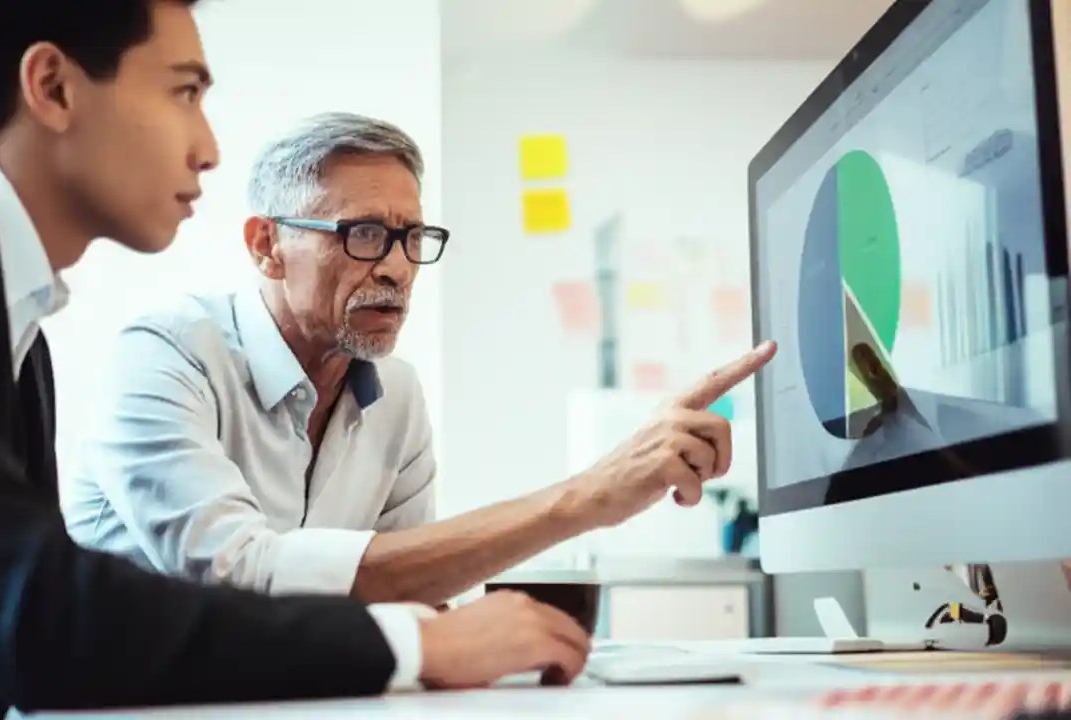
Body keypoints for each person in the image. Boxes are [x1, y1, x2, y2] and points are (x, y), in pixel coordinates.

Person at [0, 1, 608, 716]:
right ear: (53, 86)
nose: (209, 149)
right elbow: (37, 613)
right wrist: (413, 645)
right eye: (185, 91)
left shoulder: (19, 326)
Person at [63, 111, 778, 606]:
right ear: (265, 245)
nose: (398, 269)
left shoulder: (394, 396)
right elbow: (235, 576)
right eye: (366, 233)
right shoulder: (164, 356)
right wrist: (585, 498)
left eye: (412, 238)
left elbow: (410, 596)